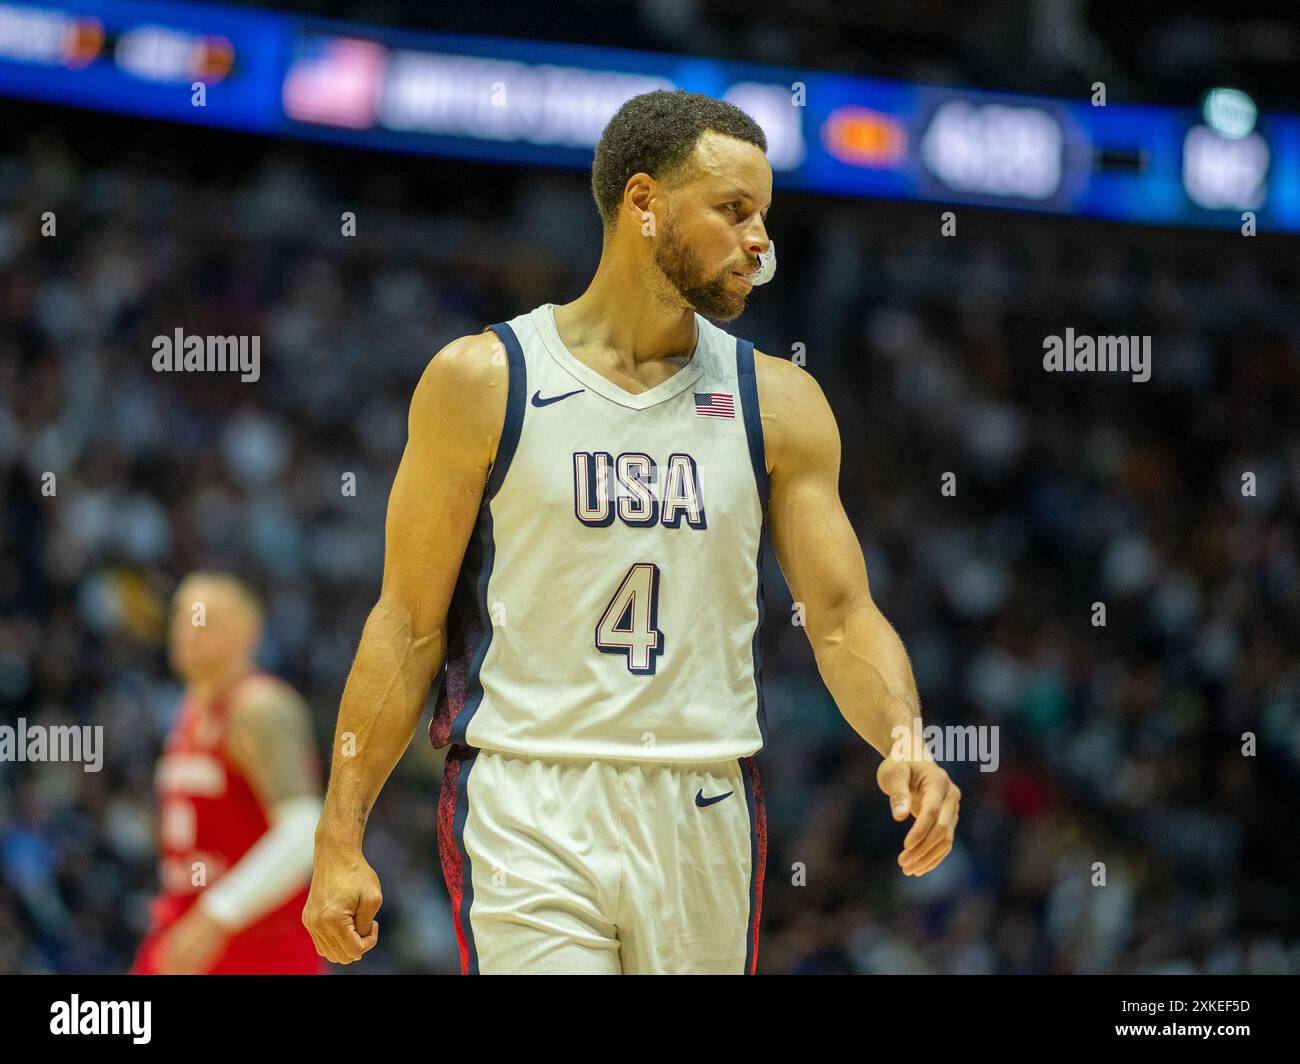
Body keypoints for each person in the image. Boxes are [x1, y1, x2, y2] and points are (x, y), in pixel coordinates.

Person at [305, 89, 960, 974]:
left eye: (764, 215)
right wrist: (340, 833)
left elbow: (842, 618)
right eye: (734, 211)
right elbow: (408, 623)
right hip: (529, 795)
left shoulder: (782, 402)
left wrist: (904, 738)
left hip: (703, 801)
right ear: (644, 202)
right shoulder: (483, 380)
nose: (760, 242)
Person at [131, 572, 324, 975]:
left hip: (256, 939)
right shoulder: (187, 710)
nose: (189, 630)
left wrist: (219, 914)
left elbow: (305, 827)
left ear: (249, 631)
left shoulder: (259, 706)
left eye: (205, 619)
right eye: (182, 617)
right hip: (183, 928)